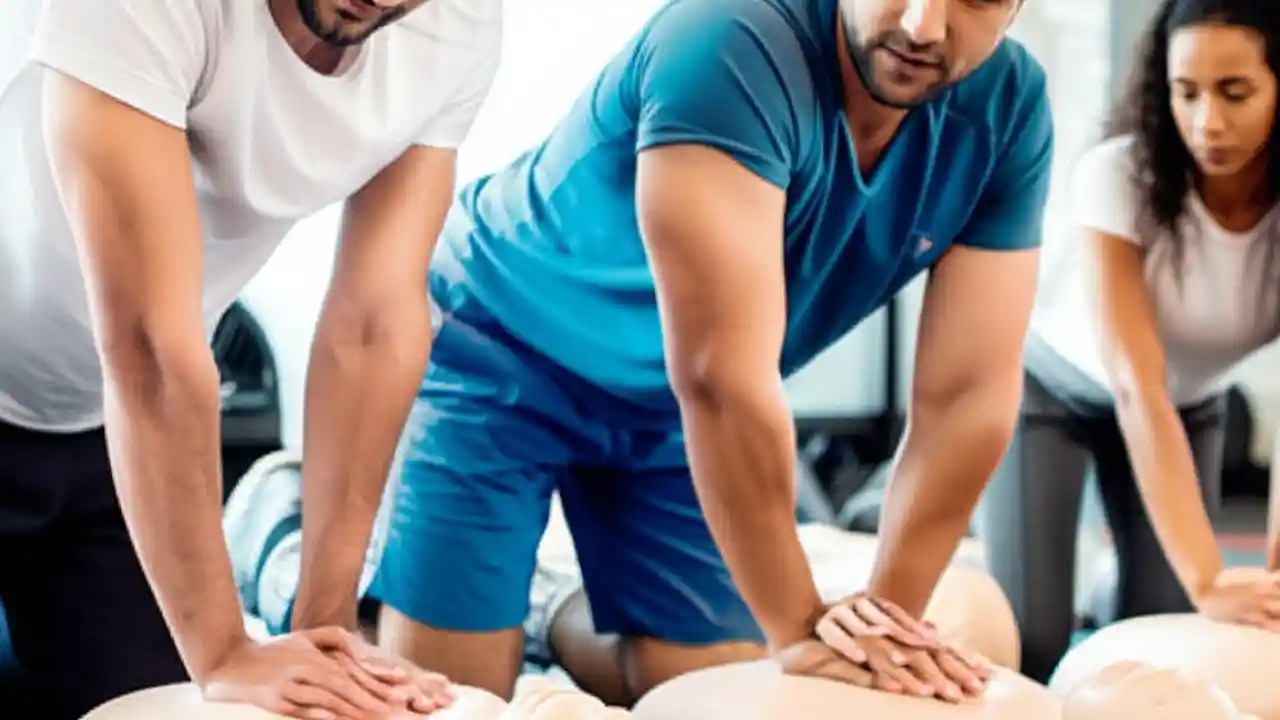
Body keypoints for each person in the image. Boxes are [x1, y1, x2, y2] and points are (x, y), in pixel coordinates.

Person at [232, 0, 1051, 705]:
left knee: (704, 687)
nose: (920, 23)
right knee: (452, 698)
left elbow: (966, 399)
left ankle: (545, 602)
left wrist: (883, 629)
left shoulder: (1010, 112)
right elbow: (722, 379)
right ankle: (274, 535)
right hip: (500, 351)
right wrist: (802, 629)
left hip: (665, 407)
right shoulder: (730, 41)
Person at [0, 0, 501, 717]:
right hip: (109, 378)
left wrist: (324, 621)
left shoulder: (459, 25)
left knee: (165, 703)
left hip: (105, 438)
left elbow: (374, 325)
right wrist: (225, 652)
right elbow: (150, 346)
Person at [981, 0, 1280, 684]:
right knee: (1036, 639)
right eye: (1186, 92)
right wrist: (1211, 578)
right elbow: (1136, 384)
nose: (1207, 121)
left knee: (1160, 633)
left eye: (1235, 92)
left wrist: (1269, 580)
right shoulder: (1118, 176)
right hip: (1048, 398)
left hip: (1189, 408)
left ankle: (1108, 584)